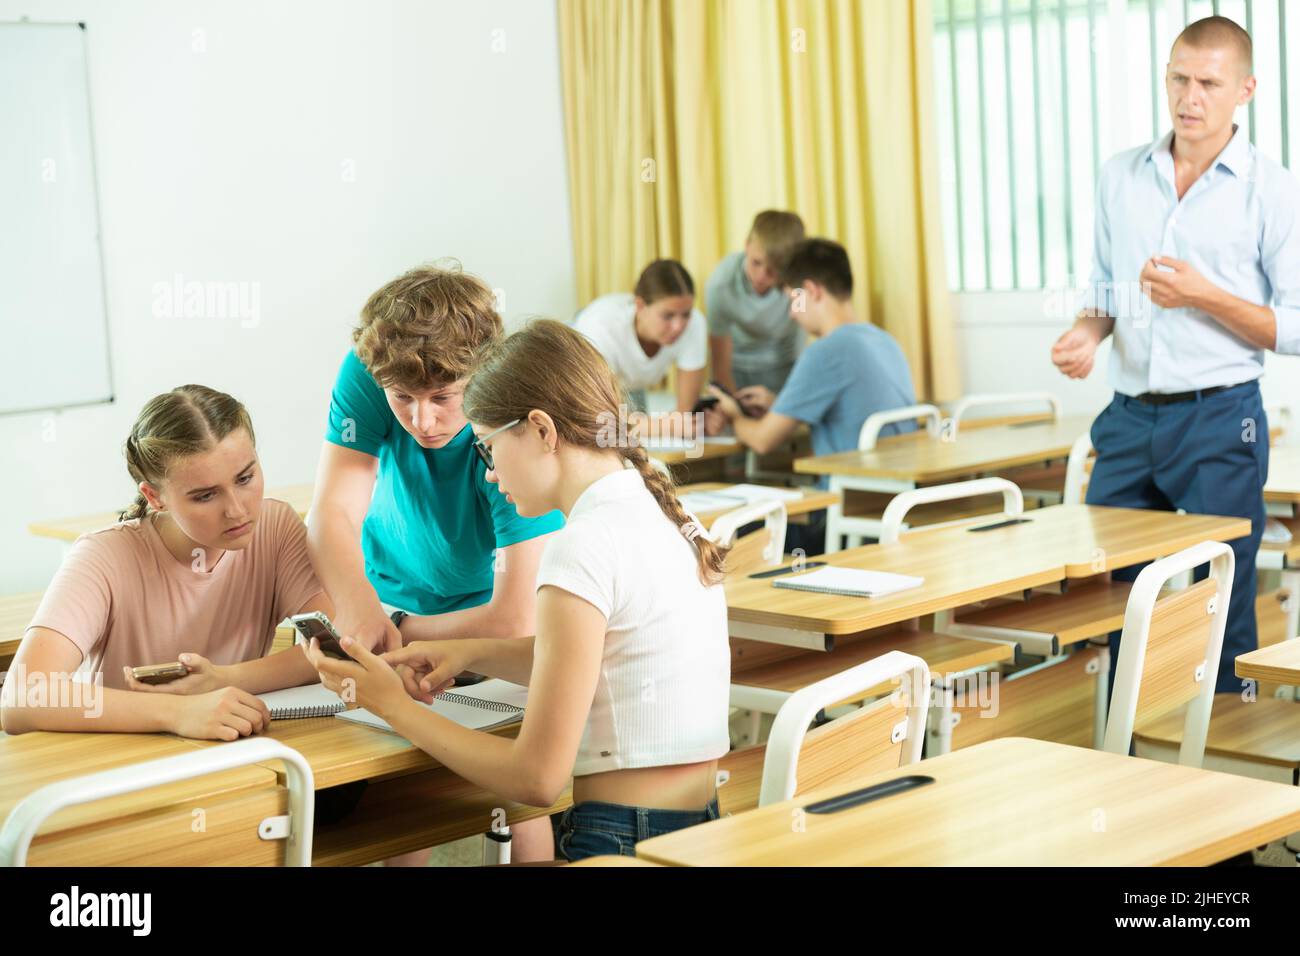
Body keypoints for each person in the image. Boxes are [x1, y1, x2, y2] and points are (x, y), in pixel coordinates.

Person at [305, 320, 732, 862]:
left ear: (541, 430)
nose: (489, 474)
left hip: (618, 837)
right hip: (696, 829)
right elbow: (600, 657)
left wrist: (392, 707)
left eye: (488, 449)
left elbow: (536, 779)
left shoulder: (581, 546)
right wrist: (470, 652)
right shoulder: (661, 511)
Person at [1053, 16, 1300, 695]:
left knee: (1225, 594)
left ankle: (1224, 739)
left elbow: (1295, 326)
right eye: (1179, 79)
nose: (1190, 98)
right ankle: (1124, 741)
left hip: (1221, 419)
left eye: (1209, 84)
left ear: (1245, 89)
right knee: (1113, 594)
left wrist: (1203, 296)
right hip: (1129, 419)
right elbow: (1104, 288)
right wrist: (1088, 333)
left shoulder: (1272, 189)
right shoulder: (1120, 175)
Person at [306, 263, 563, 862]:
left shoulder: (514, 418)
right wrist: (362, 607)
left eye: (444, 398)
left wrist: (396, 630)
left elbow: (514, 619)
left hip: (482, 621)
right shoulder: (369, 369)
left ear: (483, 373)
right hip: (392, 594)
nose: (422, 421)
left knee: (518, 794)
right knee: (399, 786)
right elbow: (331, 511)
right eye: (402, 399)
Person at [2, 385, 326, 738]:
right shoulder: (103, 555)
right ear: (154, 497)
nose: (237, 510)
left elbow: (338, 648)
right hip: (121, 757)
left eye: (245, 478)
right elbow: (22, 696)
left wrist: (224, 680)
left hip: (231, 749)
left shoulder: (275, 527)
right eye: (205, 496)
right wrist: (178, 712)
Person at [706, 238, 917, 553]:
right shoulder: (884, 340)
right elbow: (851, 414)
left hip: (838, 516)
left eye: (793, 300)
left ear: (811, 291)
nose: (792, 314)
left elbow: (763, 441)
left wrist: (733, 414)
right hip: (889, 508)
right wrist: (780, 405)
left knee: (722, 525)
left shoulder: (825, 351)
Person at [574, 259, 708, 430]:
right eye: (668, 316)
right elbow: (598, 416)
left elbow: (685, 413)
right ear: (640, 306)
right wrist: (665, 427)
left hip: (628, 383)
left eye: (686, 314)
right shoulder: (600, 329)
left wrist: (697, 423)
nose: (678, 326)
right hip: (574, 370)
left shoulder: (694, 323)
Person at [706, 210, 807, 394]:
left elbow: (804, 342)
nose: (761, 276)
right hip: (737, 369)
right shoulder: (721, 285)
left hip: (785, 368)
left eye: (773, 270)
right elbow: (720, 366)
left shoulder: (800, 288)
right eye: (756, 263)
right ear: (746, 246)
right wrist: (736, 406)